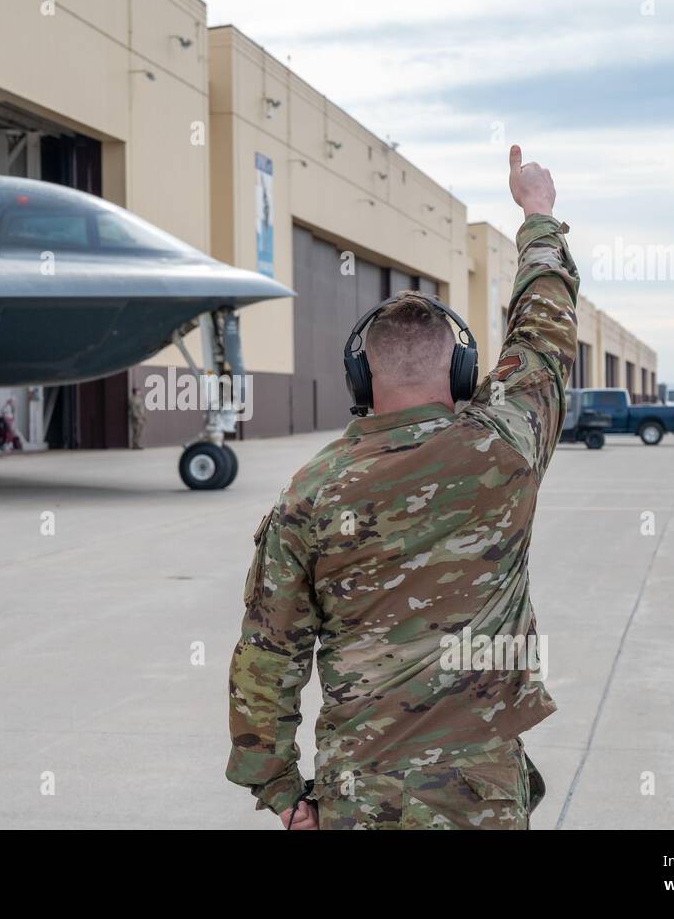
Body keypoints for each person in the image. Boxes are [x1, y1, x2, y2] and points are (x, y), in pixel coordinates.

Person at [226, 146, 579, 829]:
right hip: (485, 796)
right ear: (463, 372)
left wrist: (279, 793)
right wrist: (538, 214)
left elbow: (268, 656)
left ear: (361, 377)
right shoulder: (504, 443)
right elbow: (544, 335)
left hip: (359, 798)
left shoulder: (311, 491)